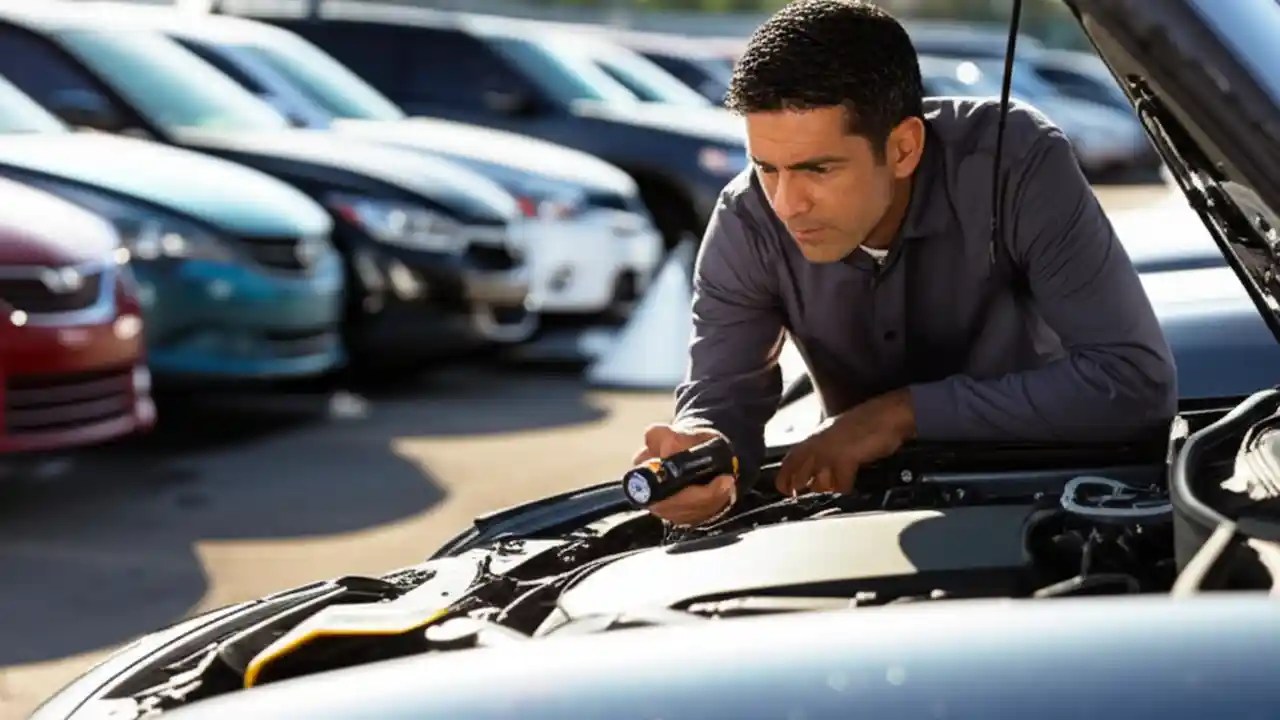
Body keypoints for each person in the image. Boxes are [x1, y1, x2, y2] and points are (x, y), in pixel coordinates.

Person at [632, 0, 1178, 528]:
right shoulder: (746, 220)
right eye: (767, 168)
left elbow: (1134, 384)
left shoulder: (1014, 166)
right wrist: (703, 453)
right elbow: (722, 397)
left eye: (817, 170)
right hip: (855, 517)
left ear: (902, 149)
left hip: (1044, 500)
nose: (786, 203)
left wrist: (901, 414)